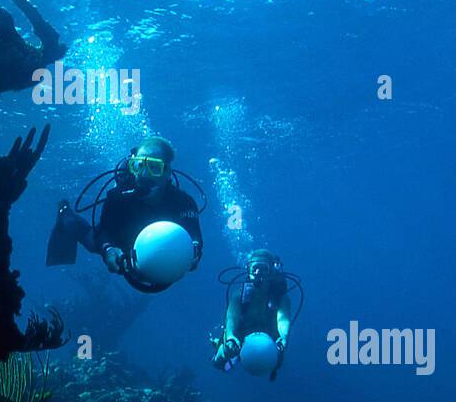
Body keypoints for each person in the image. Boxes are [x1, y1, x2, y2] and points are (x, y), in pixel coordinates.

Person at [47, 135, 204, 293]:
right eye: (138, 165)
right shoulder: (118, 198)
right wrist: (108, 250)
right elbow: (104, 232)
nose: (144, 174)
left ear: (167, 172)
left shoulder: (183, 202)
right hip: (121, 238)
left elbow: (194, 235)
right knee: (90, 240)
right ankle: (64, 212)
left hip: (160, 252)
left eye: (154, 167)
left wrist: (194, 251)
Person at [210, 250, 303, 381]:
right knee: (219, 360)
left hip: (270, 335)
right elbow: (232, 317)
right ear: (248, 270)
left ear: (271, 271)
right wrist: (230, 336)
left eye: (264, 268)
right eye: (255, 268)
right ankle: (226, 350)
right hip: (241, 333)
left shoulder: (280, 297)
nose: (259, 273)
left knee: (277, 360)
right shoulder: (239, 294)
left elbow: (283, 319)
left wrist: (283, 337)